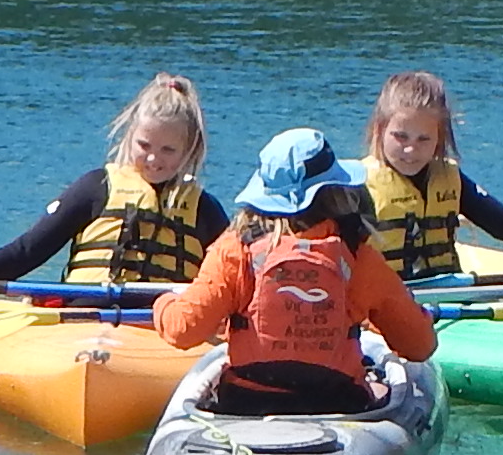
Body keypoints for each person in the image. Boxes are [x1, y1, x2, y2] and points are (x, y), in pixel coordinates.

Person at [150, 129, 442, 418]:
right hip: (338, 403)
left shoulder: (235, 250)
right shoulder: (358, 257)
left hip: (246, 403)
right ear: (337, 192)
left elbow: (182, 330)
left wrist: (164, 303)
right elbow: (419, 346)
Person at [0, 72, 232, 289]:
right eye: (144, 145)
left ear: (189, 150)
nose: (152, 158)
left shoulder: (204, 210)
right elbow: (27, 251)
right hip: (89, 313)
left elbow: (234, 276)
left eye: (168, 150)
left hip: (164, 324)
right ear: (130, 137)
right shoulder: (95, 188)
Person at [351, 69, 503, 284]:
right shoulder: (355, 187)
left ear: (440, 139)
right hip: (382, 301)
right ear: (379, 130)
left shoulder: (449, 179)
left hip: (447, 294)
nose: (411, 150)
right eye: (401, 137)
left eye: (424, 139)